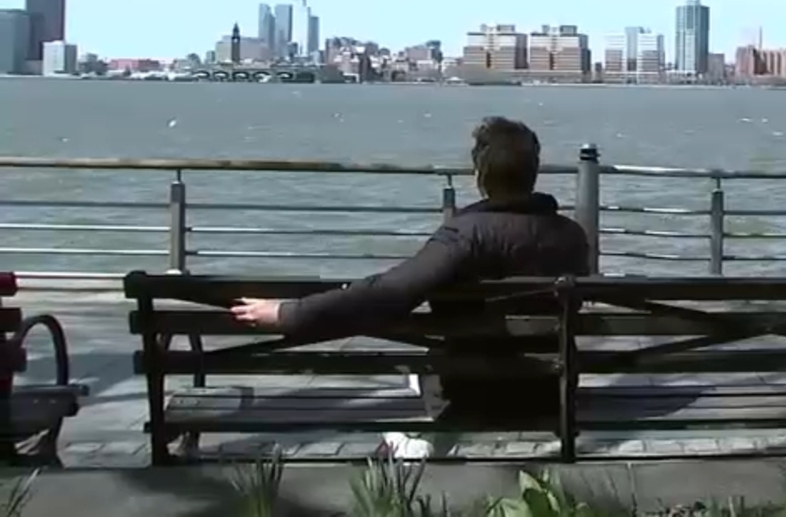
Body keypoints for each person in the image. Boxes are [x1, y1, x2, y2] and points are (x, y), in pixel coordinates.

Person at [230, 116, 591, 458]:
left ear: (479, 175)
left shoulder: (465, 235)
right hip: (549, 391)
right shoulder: (572, 235)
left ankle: (412, 449)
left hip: (470, 393)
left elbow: (387, 294)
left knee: (425, 366)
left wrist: (288, 313)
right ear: (533, 172)